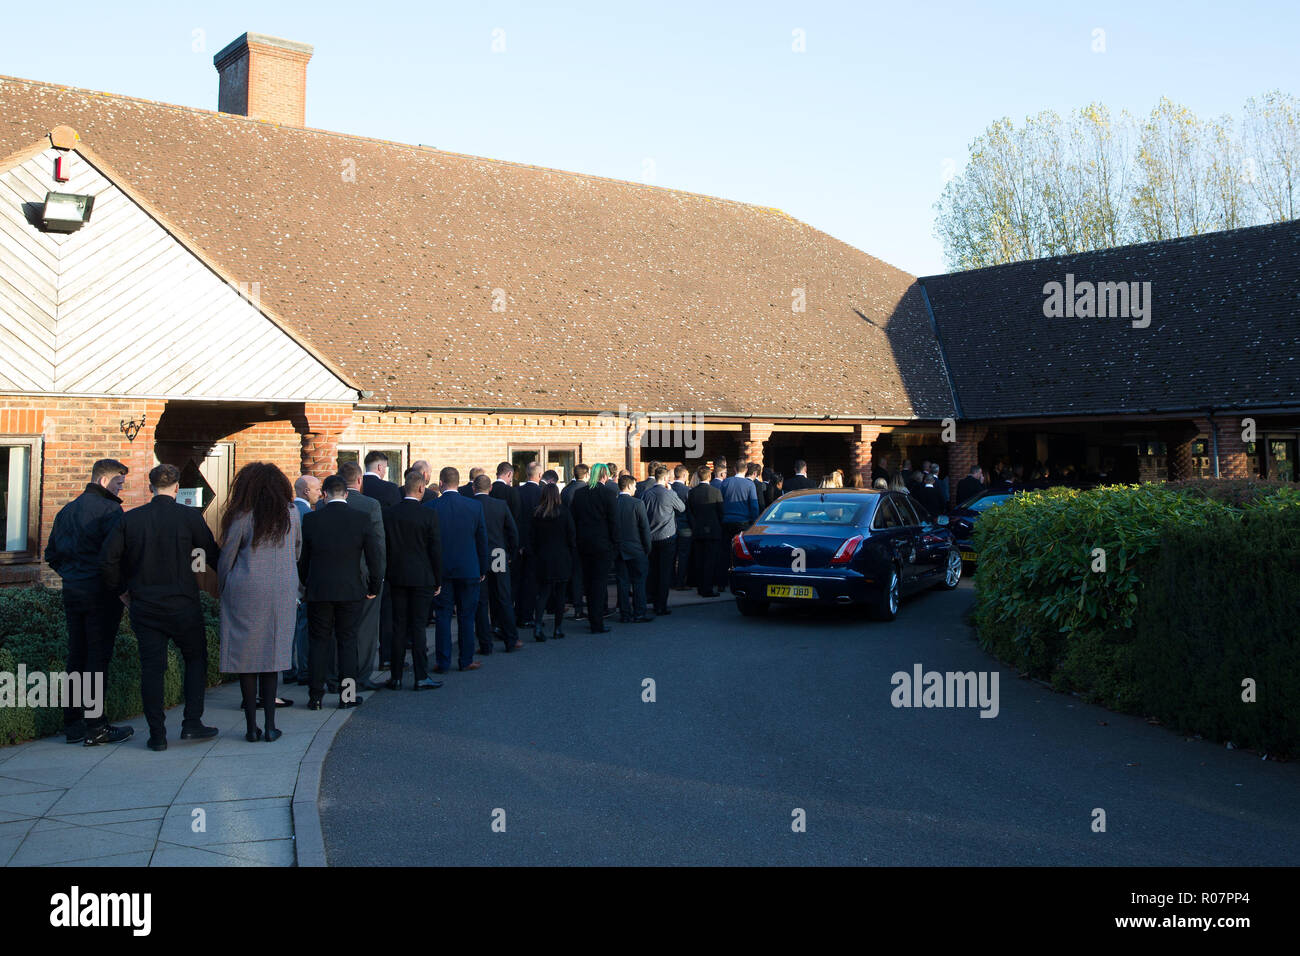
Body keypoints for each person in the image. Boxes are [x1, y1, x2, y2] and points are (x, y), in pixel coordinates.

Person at [100, 464, 220, 751]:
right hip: (183, 603)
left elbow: (107, 560)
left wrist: (121, 591)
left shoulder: (131, 519)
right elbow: (212, 553)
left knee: (152, 668)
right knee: (195, 659)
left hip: (145, 605)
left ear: (150, 487)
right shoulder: (189, 517)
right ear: (177, 487)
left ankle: (157, 734)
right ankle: (192, 722)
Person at [45, 458, 133, 746]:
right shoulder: (110, 511)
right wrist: (121, 590)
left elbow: (51, 555)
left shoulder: (67, 511)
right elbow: (115, 557)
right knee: (97, 658)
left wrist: (72, 576)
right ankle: (96, 725)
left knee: (77, 655)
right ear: (104, 480)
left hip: (73, 591)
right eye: (119, 482)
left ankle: (73, 724)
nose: (121, 488)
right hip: (101, 595)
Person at [217, 463, 300, 743]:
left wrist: (224, 586)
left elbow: (227, 555)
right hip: (281, 590)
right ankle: (271, 725)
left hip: (246, 588)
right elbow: (297, 549)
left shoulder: (242, 514)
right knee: (272, 656)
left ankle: (251, 727)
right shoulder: (291, 513)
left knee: (247, 657)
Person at [298, 475, 383, 710]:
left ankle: (315, 696)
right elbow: (374, 558)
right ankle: (347, 696)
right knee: (348, 642)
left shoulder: (312, 520)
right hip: (350, 589)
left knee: (318, 642)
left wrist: (306, 583)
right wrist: (374, 587)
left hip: (320, 590)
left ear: (324, 494)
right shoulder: (361, 519)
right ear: (345, 494)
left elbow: (304, 559)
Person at [383, 468, 444, 690]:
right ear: (421, 488)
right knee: (418, 627)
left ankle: (396, 677)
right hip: (422, 577)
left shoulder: (389, 514)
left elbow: (385, 547)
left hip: (396, 576)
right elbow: (435, 550)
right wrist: (438, 579)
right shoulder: (429, 515)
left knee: (398, 626)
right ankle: (420, 676)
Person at [427, 467, 489, 672]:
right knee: (467, 616)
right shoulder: (474, 506)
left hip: (441, 570)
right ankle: (466, 659)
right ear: (458, 482)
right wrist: (483, 568)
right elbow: (481, 540)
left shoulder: (431, 507)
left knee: (443, 616)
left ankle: (443, 661)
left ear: (441, 483)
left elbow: (428, 543)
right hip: (469, 567)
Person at [337, 461, 386, 690]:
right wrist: (379, 578)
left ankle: (336, 677)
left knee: (336, 629)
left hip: (335, 575)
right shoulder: (370, 505)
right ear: (359, 480)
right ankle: (361, 676)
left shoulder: (325, 504)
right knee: (366, 628)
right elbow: (378, 545)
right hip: (364, 575)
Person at [473, 474, 521, 652]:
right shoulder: (500, 505)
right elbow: (513, 532)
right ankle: (511, 639)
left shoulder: (471, 505)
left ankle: (485, 644)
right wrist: (511, 554)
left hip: (478, 556)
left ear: (473, 488)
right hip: (499, 554)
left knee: (482, 601)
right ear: (490, 488)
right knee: (504, 597)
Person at [570, 462, 619, 633]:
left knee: (589, 582)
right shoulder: (608, 494)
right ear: (605, 476)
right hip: (602, 545)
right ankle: (597, 622)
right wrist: (615, 544)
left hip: (583, 544)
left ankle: (592, 617)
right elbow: (614, 522)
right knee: (599, 583)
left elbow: (574, 520)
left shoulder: (579, 494)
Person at [285, 475, 321, 686]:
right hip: (303, 578)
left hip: (285, 576)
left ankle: (288, 669)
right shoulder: (308, 515)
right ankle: (304, 670)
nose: (320, 493)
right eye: (317, 489)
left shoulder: (285, 512)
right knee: (303, 625)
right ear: (306, 491)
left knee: (288, 625)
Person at [529, 482, 576, 641]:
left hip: (543, 558)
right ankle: (558, 628)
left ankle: (537, 626)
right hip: (562, 557)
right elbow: (571, 536)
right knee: (560, 595)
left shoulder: (537, 513)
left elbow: (532, 539)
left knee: (543, 593)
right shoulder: (564, 512)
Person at [641, 465, 684, 616]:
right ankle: (661, 605)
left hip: (651, 537)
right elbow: (682, 508)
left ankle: (651, 598)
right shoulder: (669, 493)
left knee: (653, 570)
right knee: (664, 572)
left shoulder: (646, 494)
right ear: (665, 478)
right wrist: (671, 491)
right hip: (667, 537)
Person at [614, 475, 652, 622]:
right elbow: (644, 528)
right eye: (634, 486)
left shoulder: (613, 503)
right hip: (636, 549)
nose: (636, 488)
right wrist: (647, 548)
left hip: (619, 549)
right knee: (639, 581)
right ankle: (639, 612)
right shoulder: (637, 503)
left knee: (622, 582)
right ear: (629, 486)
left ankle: (625, 614)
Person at [688, 465, 725, 597]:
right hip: (713, 530)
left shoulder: (692, 492)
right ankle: (707, 588)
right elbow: (721, 512)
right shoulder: (716, 492)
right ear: (709, 476)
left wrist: (694, 526)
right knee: (710, 561)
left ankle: (700, 587)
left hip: (697, 530)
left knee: (699, 560)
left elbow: (690, 512)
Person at [515, 461, 543, 627]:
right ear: (539, 475)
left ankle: (519, 613)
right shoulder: (542, 493)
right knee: (532, 582)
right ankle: (528, 615)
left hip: (519, 543)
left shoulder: (517, 491)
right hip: (536, 544)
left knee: (519, 581)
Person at [561, 463, 589, 619]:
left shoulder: (566, 490)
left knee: (574, 571)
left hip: (568, 535)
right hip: (583, 535)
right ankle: (581, 604)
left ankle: (573, 600)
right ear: (586, 475)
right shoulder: (585, 491)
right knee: (583, 572)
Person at [669, 465, 693, 589]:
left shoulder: (668, 489)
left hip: (671, 527)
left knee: (672, 555)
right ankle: (680, 582)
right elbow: (690, 511)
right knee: (683, 556)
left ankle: (671, 581)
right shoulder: (687, 490)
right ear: (683, 475)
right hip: (685, 526)